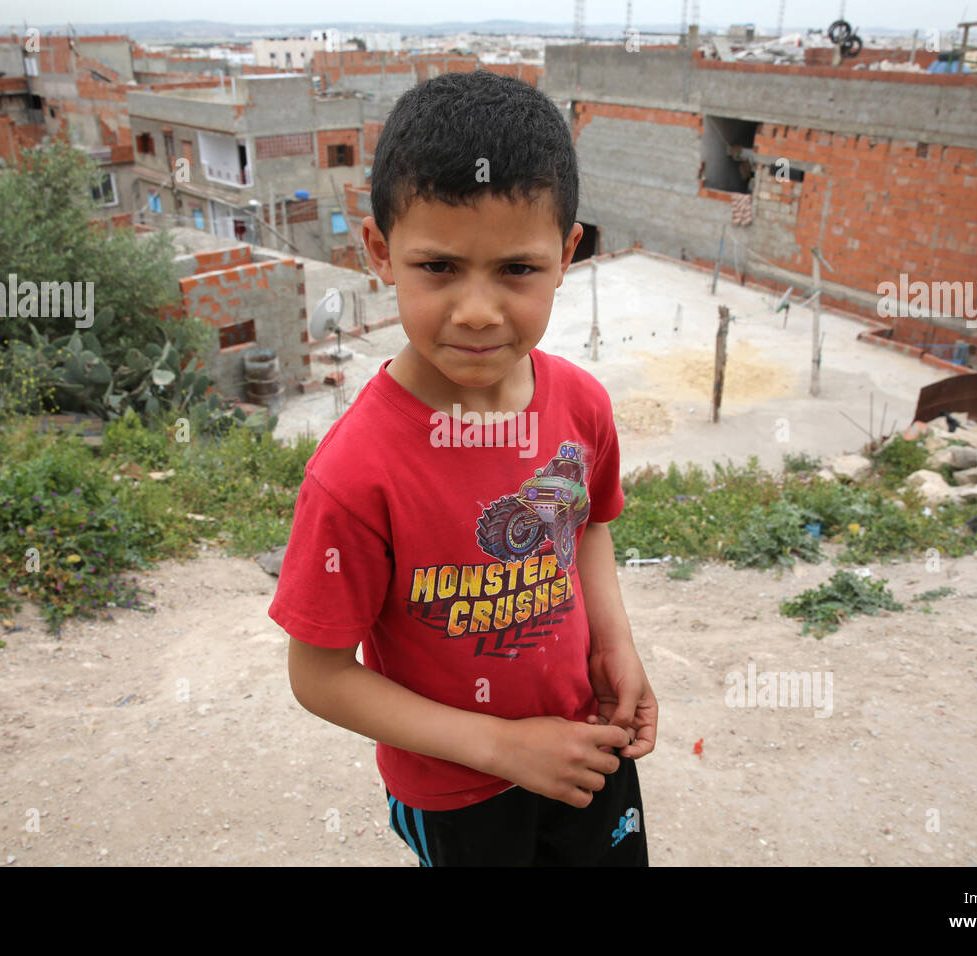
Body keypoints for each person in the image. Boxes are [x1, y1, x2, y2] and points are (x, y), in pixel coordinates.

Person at [268, 69, 657, 866]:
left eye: (517, 270)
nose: (478, 310)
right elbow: (319, 675)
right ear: (379, 253)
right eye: (439, 268)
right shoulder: (356, 473)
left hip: (586, 744)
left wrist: (615, 640)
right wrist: (500, 747)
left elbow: (587, 529)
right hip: (457, 792)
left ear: (567, 253)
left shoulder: (580, 405)